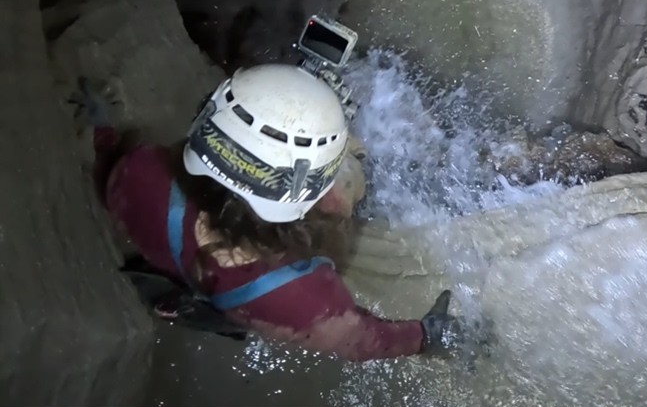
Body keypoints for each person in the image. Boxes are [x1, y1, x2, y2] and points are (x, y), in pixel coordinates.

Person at [84, 63, 468, 363]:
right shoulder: (304, 298)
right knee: (348, 183)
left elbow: (112, 164)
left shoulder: (141, 173)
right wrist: (426, 335)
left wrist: (102, 130)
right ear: (308, 196)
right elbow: (363, 340)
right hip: (251, 298)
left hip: (173, 247)